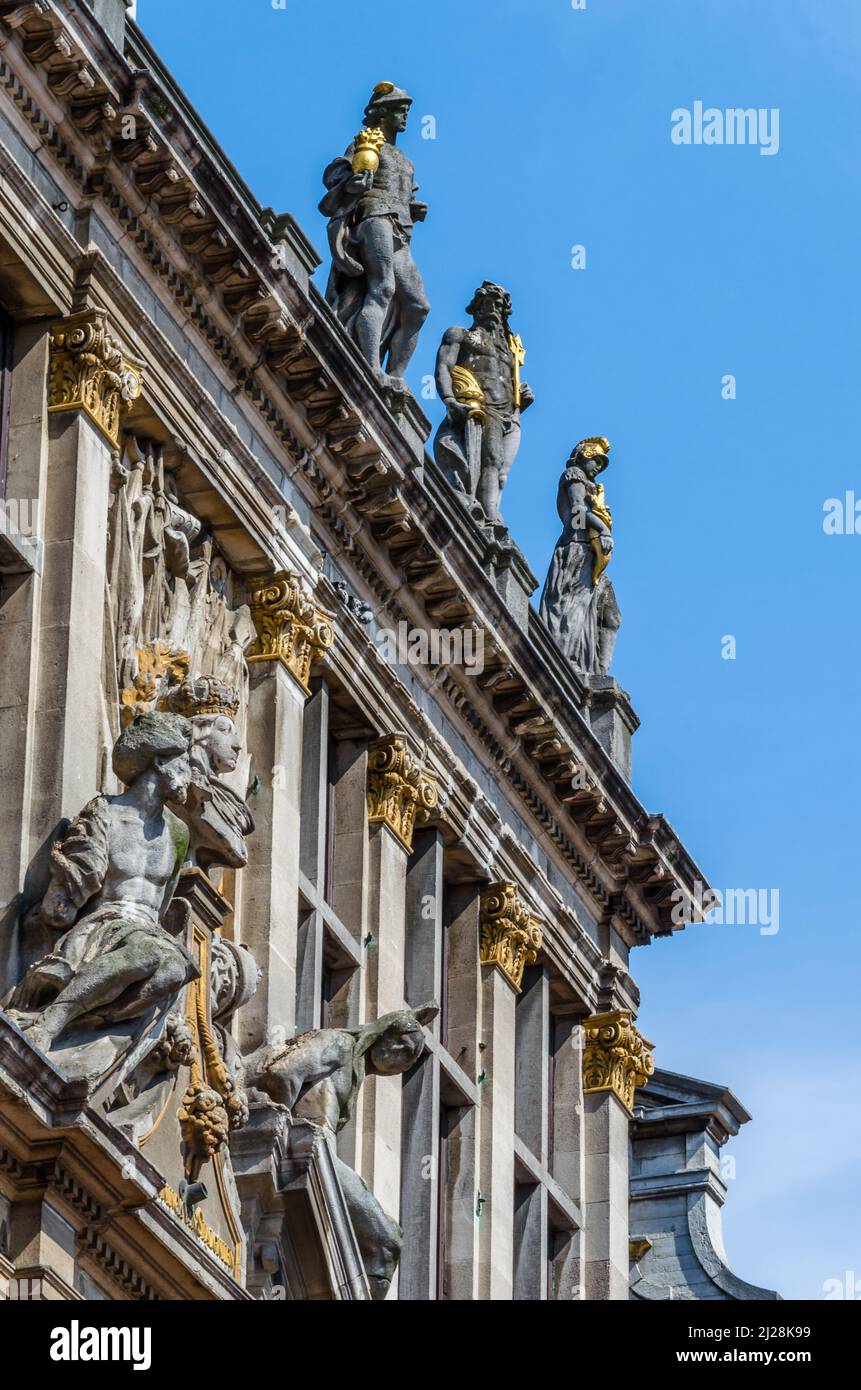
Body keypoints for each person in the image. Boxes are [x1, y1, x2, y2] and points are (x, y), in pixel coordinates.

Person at [7, 712, 200, 1051]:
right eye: (187, 764)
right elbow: (67, 898)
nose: (193, 776)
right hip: (105, 924)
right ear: (160, 760)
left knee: (174, 968)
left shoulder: (178, 833)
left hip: (149, 930)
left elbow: (165, 899)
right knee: (146, 952)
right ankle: (51, 1024)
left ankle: (63, 1021)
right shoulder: (105, 812)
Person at [320, 81, 429, 385]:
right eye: (400, 110)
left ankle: (395, 377)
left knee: (419, 307)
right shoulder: (365, 143)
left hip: (401, 228)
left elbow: (405, 195)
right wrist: (352, 185)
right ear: (383, 113)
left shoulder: (405, 161)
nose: (405, 116)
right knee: (383, 289)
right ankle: (371, 368)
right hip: (374, 216)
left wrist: (414, 209)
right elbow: (339, 178)